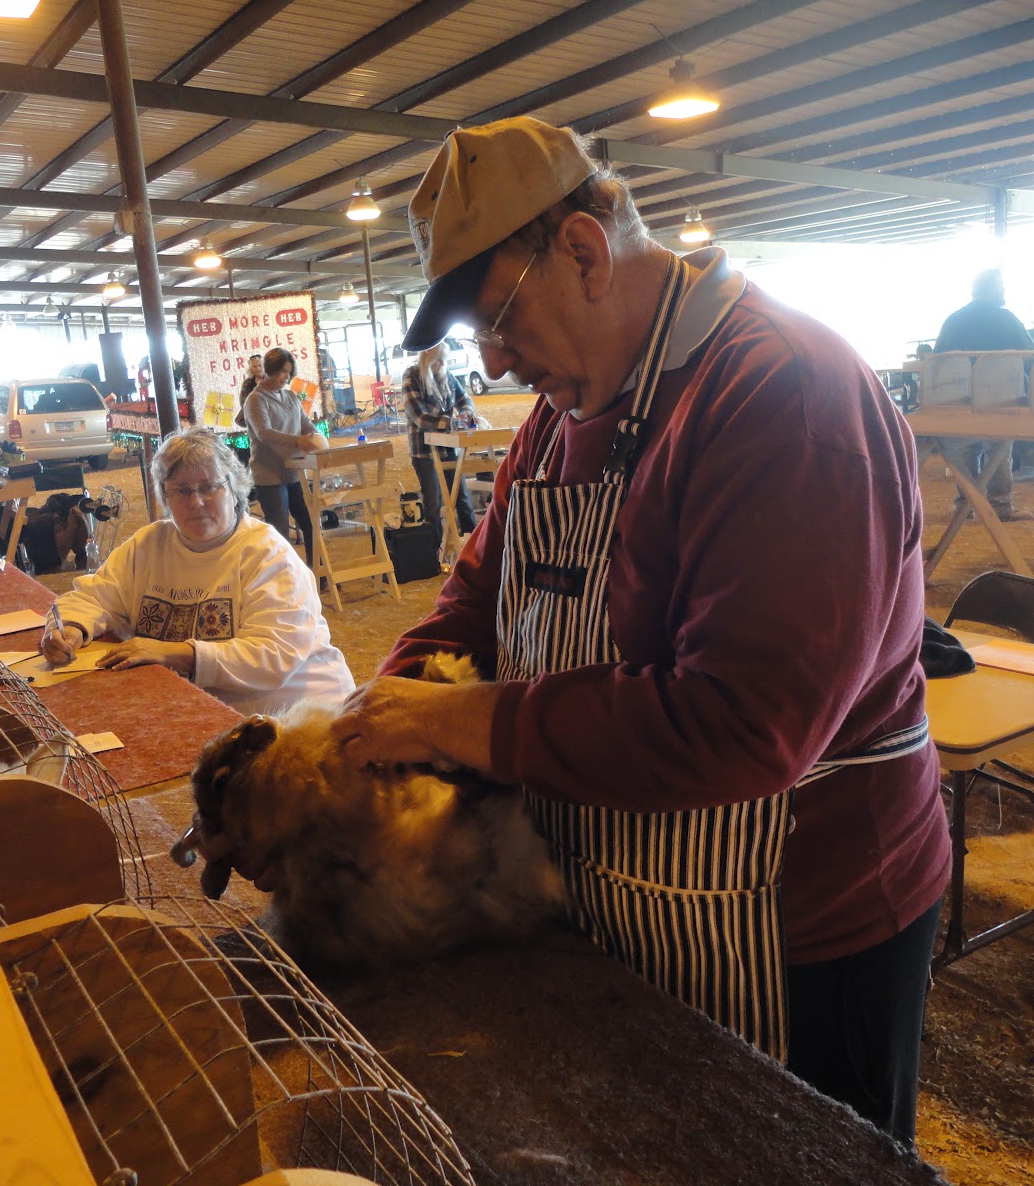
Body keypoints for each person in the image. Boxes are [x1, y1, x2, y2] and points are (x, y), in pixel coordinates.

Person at [323, 117, 949, 1147]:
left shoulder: (782, 394)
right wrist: (387, 716)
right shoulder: (562, 415)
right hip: (624, 891)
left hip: (797, 920)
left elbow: (743, 724)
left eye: (496, 321)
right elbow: (477, 597)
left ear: (582, 251)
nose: (494, 364)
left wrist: (451, 723)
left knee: (803, 1160)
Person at [39, 427, 352, 715]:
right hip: (201, 709)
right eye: (182, 491)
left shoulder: (268, 554)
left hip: (298, 717)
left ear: (234, 488)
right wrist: (71, 629)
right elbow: (92, 598)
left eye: (209, 487)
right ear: (165, 496)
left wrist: (174, 653)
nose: (196, 502)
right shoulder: (149, 545)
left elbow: (272, 658)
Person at [933, 268, 1034, 522]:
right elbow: (1031, 355)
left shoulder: (955, 319)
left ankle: (965, 505)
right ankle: (1000, 505)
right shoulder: (1006, 319)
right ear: (991, 288)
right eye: (1001, 285)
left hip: (961, 395)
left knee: (965, 450)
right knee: (999, 449)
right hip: (1000, 395)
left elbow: (938, 359)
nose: (1004, 290)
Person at [243, 347, 324, 562]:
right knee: (280, 534)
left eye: (288, 371)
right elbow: (263, 433)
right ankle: (284, 576)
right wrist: (297, 441)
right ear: (269, 370)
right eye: (281, 371)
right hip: (270, 476)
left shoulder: (290, 396)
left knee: (311, 524)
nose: (286, 376)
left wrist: (316, 437)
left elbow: (305, 423)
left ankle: (317, 573)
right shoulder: (255, 400)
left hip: (295, 473)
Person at [401, 341, 479, 562]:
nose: (442, 364)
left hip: (448, 447)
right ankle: (433, 553)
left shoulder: (447, 376)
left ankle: (474, 546)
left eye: (443, 360)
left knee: (463, 499)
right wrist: (451, 421)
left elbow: (465, 398)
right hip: (424, 451)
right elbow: (419, 417)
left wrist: (466, 413)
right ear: (427, 359)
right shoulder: (411, 377)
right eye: (438, 360)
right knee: (433, 502)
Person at [233, 354, 264, 429]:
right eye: (254, 366)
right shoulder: (247, 383)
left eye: (259, 365)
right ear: (251, 368)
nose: (258, 368)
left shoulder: (272, 380)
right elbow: (243, 402)